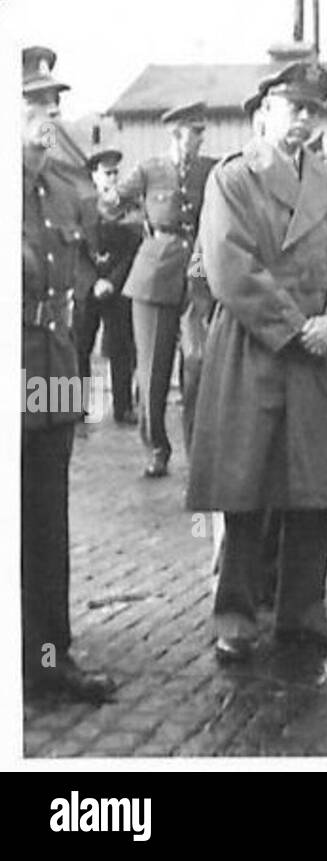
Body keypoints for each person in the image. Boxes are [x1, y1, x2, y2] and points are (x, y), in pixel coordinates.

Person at [186, 60, 327, 663]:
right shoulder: (234, 179)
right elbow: (228, 267)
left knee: (317, 484)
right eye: (292, 108)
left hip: (323, 350)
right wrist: (294, 327)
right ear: (264, 111)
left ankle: (305, 611)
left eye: (312, 111)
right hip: (256, 345)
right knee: (246, 484)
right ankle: (236, 616)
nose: (302, 121)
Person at [21, 46, 117, 704]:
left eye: (53, 104)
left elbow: (80, 269)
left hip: (51, 371)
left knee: (47, 524)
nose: (49, 114)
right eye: (33, 102)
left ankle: (50, 657)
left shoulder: (60, 185)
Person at [119, 100, 216, 476]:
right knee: (153, 370)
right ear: (176, 134)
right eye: (195, 132)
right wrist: (147, 230)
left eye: (202, 132)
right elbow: (110, 207)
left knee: (198, 363)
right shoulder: (148, 170)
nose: (200, 138)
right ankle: (156, 448)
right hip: (153, 273)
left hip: (198, 274)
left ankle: (199, 451)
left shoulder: (209, 170)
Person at [75, 149, 143, 426]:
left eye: (116, 172)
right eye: (107, 172)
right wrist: (93, 282)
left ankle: (123, 407)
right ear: (94, 176)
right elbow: (75, 251)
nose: (113, 178)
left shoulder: (129, 208)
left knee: (120, 348)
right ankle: (75, 407)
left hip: (117, 288)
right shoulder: (81, 207)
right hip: (87, 287)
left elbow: (132, 252)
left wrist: (112, 282)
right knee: (80, 347)